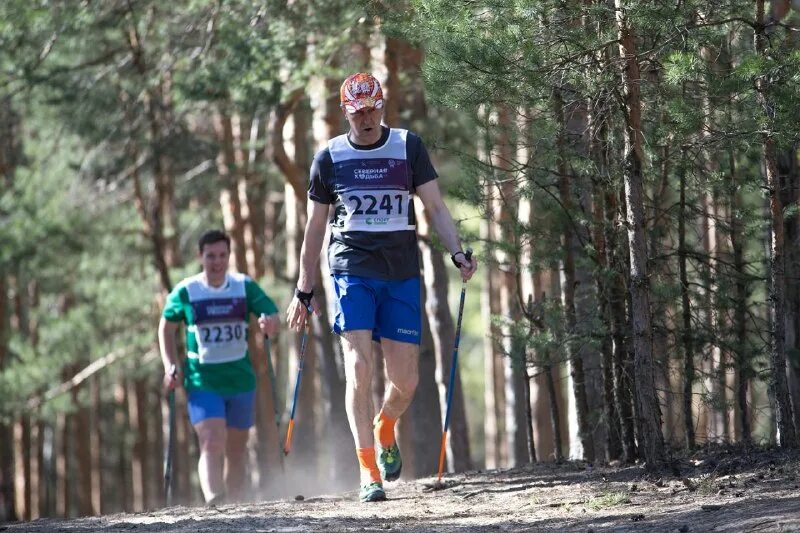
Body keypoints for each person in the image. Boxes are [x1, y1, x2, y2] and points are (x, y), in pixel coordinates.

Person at [285, 73, 477, 503]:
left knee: (405, 379)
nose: (366, 119)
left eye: (373, 110)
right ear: (346, 113)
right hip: (351, 268)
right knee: (358, 369)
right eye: (358, 113)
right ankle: (367, 470)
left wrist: (458, 253)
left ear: (383, 106)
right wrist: (304, 287)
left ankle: (385, 425)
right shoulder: (329, 158)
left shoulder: (408, 147)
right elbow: (315, 226)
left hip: (401, 271)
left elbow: (435, 206)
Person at [158, 229, 281, 505]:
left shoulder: (243, 286)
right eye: (211, 256)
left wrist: (269, 322)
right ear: (200, 256)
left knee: (236, 451)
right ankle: (214, 502)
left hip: (240, 381)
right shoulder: (188, 291)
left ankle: (234, 508)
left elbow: (271, 314)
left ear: (229, 256)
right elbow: (166, 327)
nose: (217, 262)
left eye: (222, 255)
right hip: (203, 383)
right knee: (211, 441)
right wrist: (170, 366)